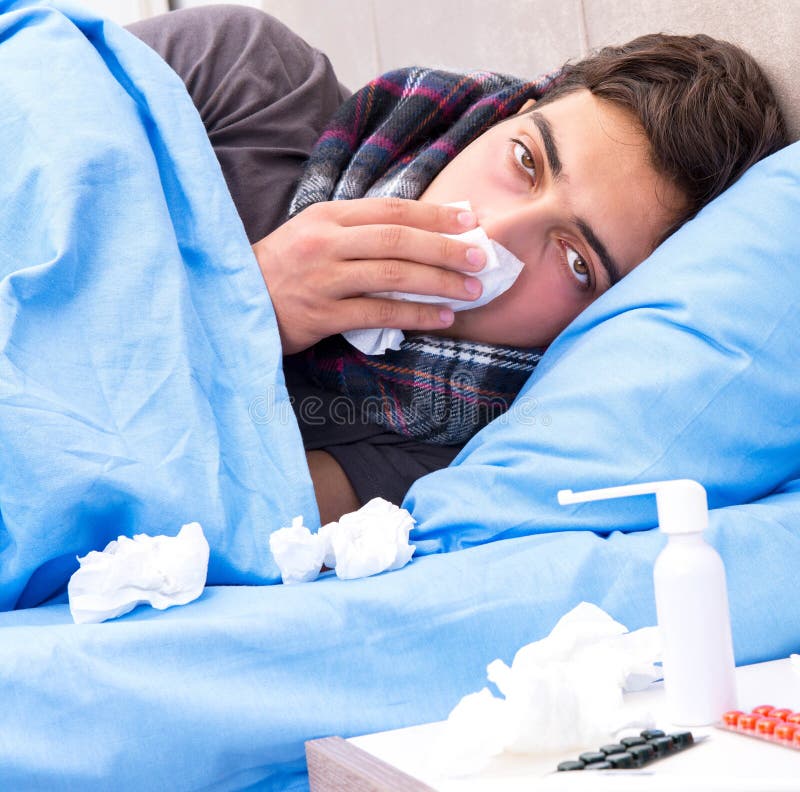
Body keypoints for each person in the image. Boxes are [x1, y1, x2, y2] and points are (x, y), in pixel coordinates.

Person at [128, 5, 787, 523]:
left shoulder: (434, 462)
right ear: (511, 115)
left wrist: (238, 319)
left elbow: (132, 516)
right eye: (526, 161)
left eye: (577, 261)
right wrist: (255, 284)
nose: (493, 230)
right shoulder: (243, 76)